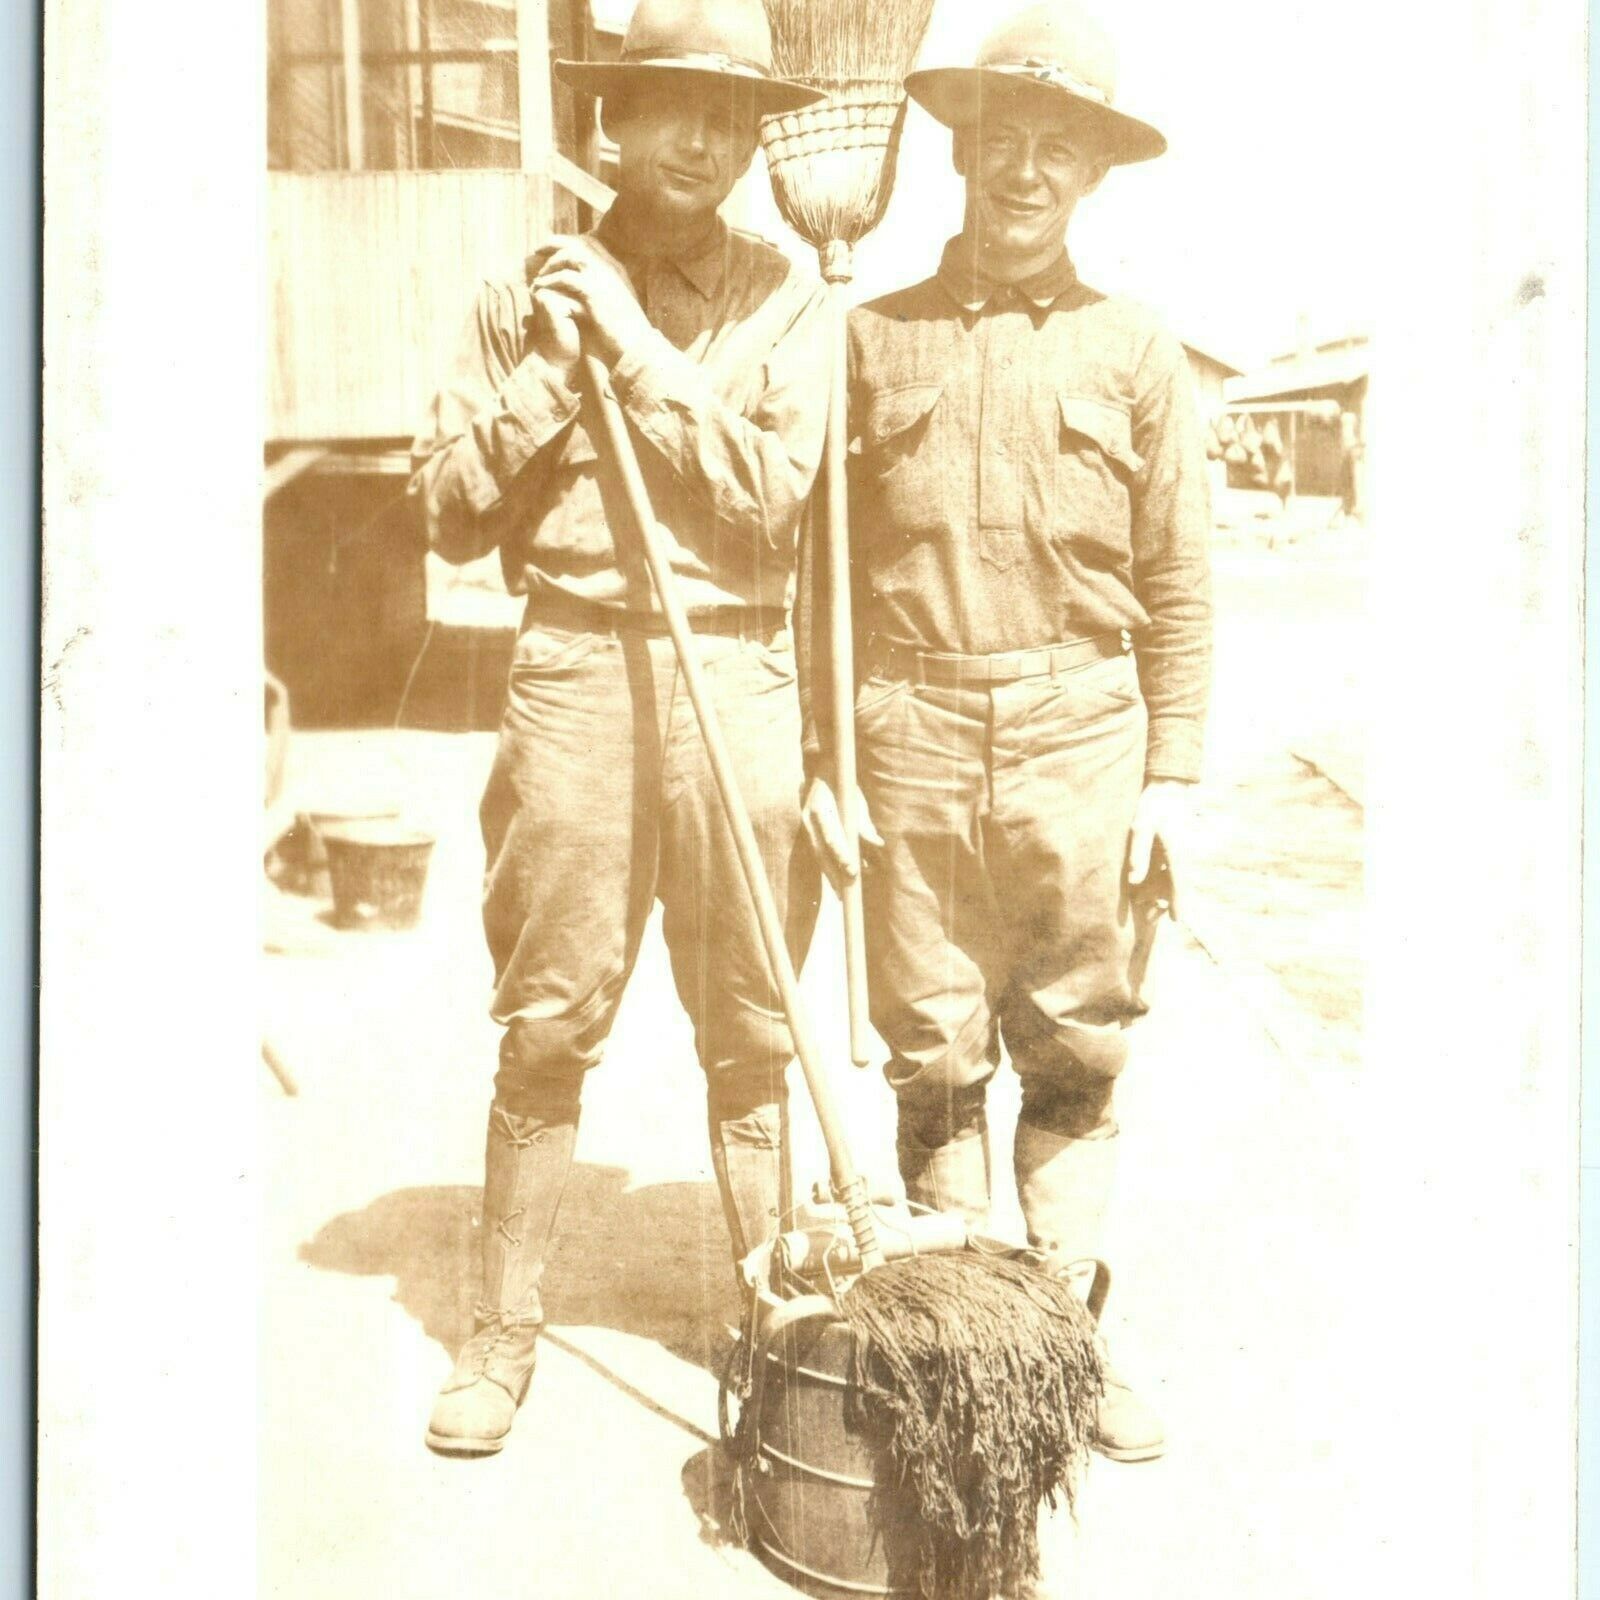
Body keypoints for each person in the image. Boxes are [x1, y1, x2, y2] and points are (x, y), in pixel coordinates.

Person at [407, 0, 828, 1457]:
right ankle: (505, 1327)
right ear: (614, 122)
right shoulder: (522, 297)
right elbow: (450, 513)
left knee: (754, 1028)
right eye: (669, 106)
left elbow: (773, 493)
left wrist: (637, 350)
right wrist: (550, 367)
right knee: (547, 1018)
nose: (701, 137)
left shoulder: (792, 299)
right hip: (575, 667)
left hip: (737, 674)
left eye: (729, 114)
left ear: (755, 138)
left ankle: (776, 1321)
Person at [799, 0, 1213, 1464]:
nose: (1027, 172)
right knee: (932, 1047)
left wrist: (1168, 775)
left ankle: (1073, 1344)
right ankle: (963, 1356)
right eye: (1002, 143)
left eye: (1060, 150)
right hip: (906, 722)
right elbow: (818, 580)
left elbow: (1176, 581)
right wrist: (821, 758)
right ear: (959, 153)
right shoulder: (869, 337)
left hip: (1081, 735)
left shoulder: (1138, 349)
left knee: (1076, 1046)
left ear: (1093, 177)